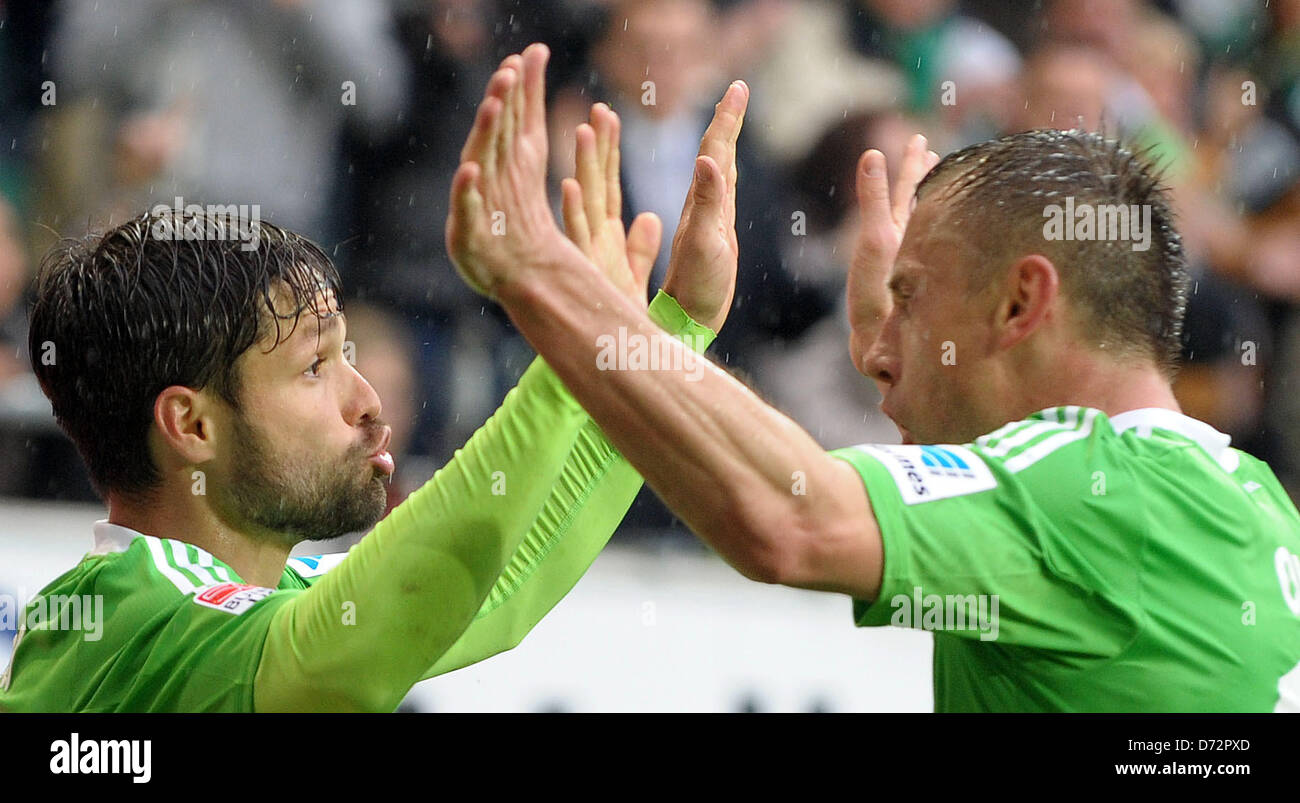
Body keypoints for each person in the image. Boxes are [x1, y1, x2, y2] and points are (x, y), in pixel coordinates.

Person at [446, 45, 1300, 711]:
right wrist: (914, 353)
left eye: (912, 294)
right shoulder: (1255, 501)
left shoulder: (1086, 488)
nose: (879, 349)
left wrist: (544, 277)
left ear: (1020, 304)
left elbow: (787, 520)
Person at [0, 49, 736, 712]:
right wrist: (568, 333)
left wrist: (668, 338)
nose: (368, 400)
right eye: (315, 367)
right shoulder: (120, 617)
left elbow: (501, 587)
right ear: (192, 426)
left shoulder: (270, 600)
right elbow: (365, 633)